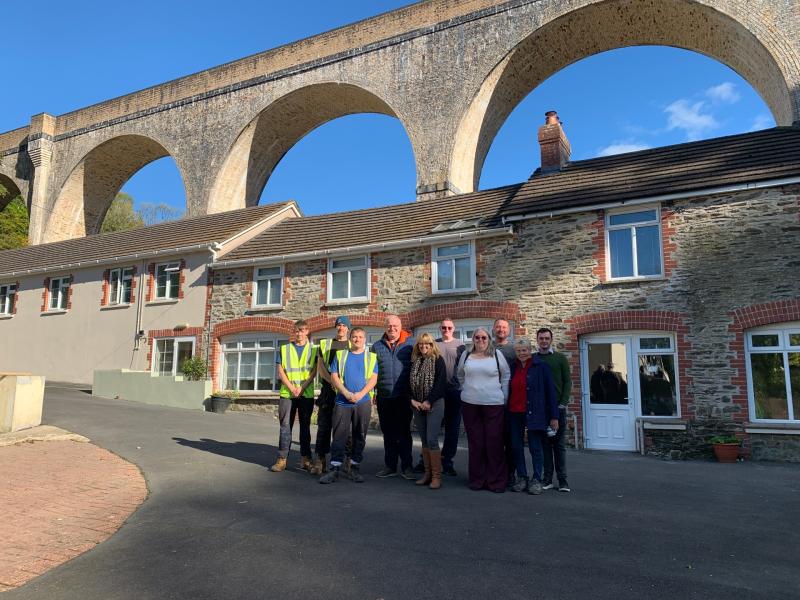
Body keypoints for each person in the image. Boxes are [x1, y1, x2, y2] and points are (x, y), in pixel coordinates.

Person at [319, 327, 379, 484]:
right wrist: (346, 393)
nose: (357, 339)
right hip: (342, 401)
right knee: (339, 436)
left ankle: (354, 468)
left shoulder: (371, 357)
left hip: (362, 402)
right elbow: (334, 377)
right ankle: (334, 469)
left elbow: (373, 379)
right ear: (350, 339)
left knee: (360, 436)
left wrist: (360, 394)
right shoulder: (341, 355)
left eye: (360, 337)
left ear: (365, 339)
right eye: (354, 336)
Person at [456, 327, 510, 492]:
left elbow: (506, 375)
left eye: (484, 338)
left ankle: (496, 481)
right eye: (477, 337)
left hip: (493, 404)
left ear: (489, 339)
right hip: (470, 404)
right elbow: (460, 375)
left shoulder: (496, 355)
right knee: (476, 443)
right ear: (473, 339)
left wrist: (504, 395)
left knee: (494, 443)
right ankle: (477, 480)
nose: (480, 340)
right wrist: (466, 390)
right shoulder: (466, 355)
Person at [508, 338, 558, 494]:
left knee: (535, 447)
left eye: (524, 350)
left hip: (535, 412)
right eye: (518, 351)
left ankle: (536, 479)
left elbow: (551, 392)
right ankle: (522, 477)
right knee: (516, 446)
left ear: (530, 350)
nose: (522, 353)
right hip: (514, 413)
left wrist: (554, 416)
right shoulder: (512, 367)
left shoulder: (541, 366)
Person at [270, 319, 318, 473]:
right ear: (294, 332)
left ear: (307, 331)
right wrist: (292, 388)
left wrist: (302, 388)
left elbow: (314, 371)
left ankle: (306, 459)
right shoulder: (284, 349)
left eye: (302, 330)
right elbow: (280, 371)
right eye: (297, 331)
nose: (299, 334)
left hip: (306, 393)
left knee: (305, 427)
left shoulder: (314, 350)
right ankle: (282, 459)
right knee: (285, 426)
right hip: (287, 393)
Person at [372, 315, 416, 479]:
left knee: (404, 433)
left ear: (401, 326)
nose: (392, 328)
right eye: (389, 325)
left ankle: (407, 467)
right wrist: (374, 392)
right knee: (388, 432)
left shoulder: (411, 343)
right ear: (385, 327)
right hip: (384, 396)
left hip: (403, 396)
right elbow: (372, 372)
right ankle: (390, 466)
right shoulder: (377, 346)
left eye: (395, 325)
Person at [311, 315, 351, 476]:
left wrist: (341, 386)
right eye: (338, 325)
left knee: (345, 429)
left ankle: (348, 460)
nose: (341, 328)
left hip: (346, 391)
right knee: (324, 427)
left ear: (348, 328)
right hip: (328, 391)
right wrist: (333, 382)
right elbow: (320, 368)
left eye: (344, 325)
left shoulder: (353, 345)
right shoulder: (325, 344)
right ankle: (320, 461)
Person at [408, 333, 448, 490]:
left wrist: (428, 401)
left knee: (431, 439)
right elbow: (407, 383)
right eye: (421, 344)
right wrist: (412, 400)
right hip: (417, 405)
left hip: (434, 404)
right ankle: (427, 474)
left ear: (432, 345)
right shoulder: (414, 361)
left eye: (427, 344)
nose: (424, 346)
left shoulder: (438, 360)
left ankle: (437, 477)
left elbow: (441, 384)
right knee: (424, 440)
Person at [536, 327, 572, 492]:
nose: (544, 341)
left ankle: (562, 480)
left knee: (559, 446)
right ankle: (548, 479)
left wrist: (562, 403)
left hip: (558, 408)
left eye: (546, 338)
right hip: (541, 410)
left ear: (551, 340)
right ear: (537, 340)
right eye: (541, 338)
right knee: (545, 446)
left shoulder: (560, 358)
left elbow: (567, 382)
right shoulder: (533, 358)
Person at [436, 318, 465, 476]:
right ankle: (427, 460)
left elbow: (466, 367)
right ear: (440, 328)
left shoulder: (460, 346)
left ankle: (447, 461)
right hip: (437, 392)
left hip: (454, 391)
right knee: (433, 428)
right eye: (443, 327)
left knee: (452, 429)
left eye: (449, 327)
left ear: (453, 329)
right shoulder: (434, 344)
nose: (446, 330)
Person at [493, 318, 517, 487]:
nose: (501, 329)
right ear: (493, 329)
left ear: (508, 330)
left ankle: (510, 474)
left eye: (504, 327)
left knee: (509, 439)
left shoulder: (514, 349)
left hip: (510, 400)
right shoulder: (488, 347)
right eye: (498, 327)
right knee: (494, 438)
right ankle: (495, 472)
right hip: (491, 398)